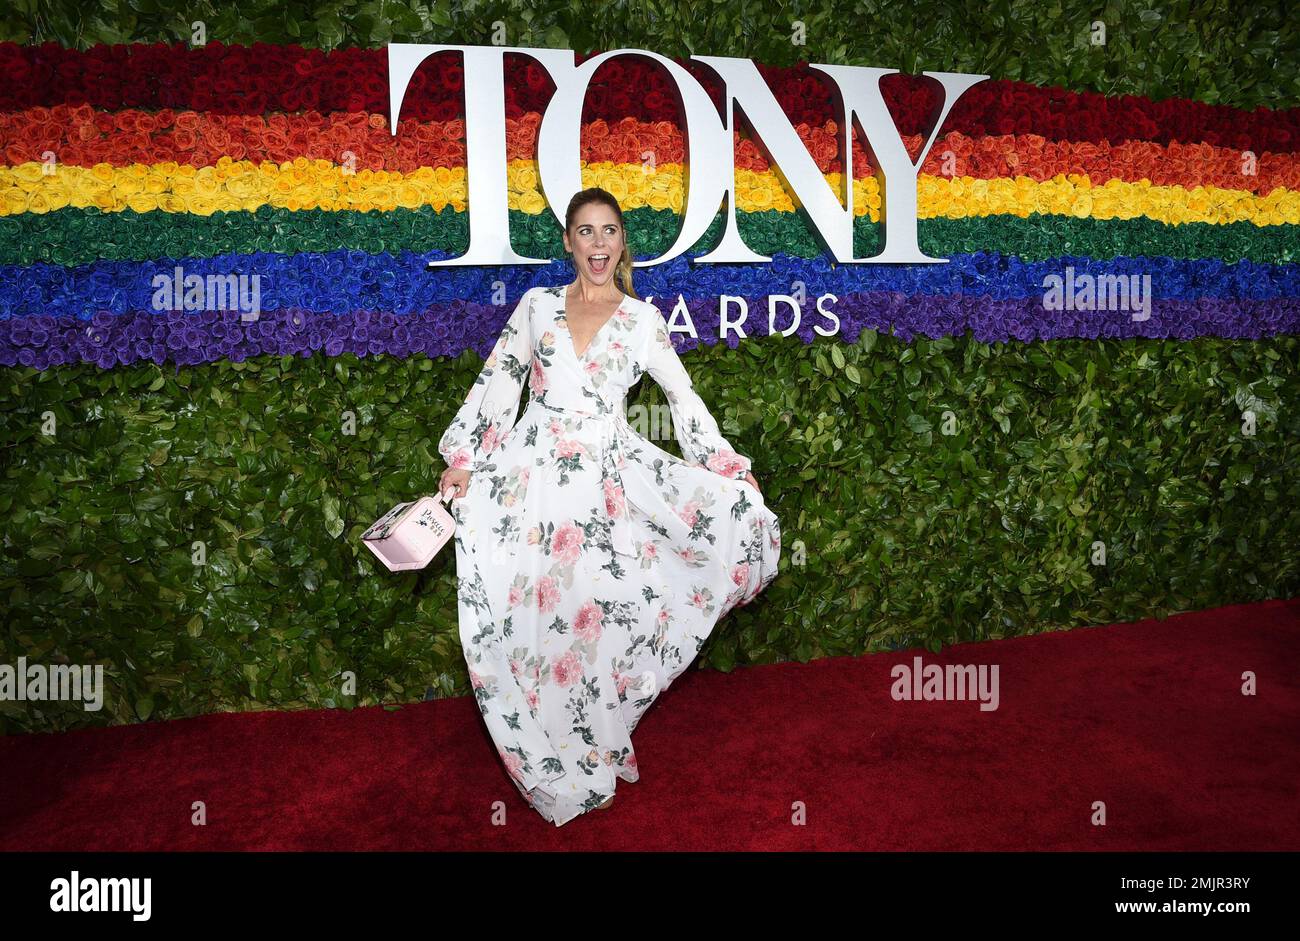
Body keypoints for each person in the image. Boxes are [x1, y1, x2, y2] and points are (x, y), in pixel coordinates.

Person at [437, 186, 781, 826]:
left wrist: (730, 471)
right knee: (540, 611)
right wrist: (465, 459)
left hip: (604, 482)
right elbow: (500, 385)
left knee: (598, 617)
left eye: (609, 231)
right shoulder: (537, 308)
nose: (598, 244)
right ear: (568, 241)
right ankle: (549, 743)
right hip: (532, 479)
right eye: (586, 232)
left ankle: (597, 739)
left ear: (623, 242)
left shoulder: (643, 320)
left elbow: (684, 401)